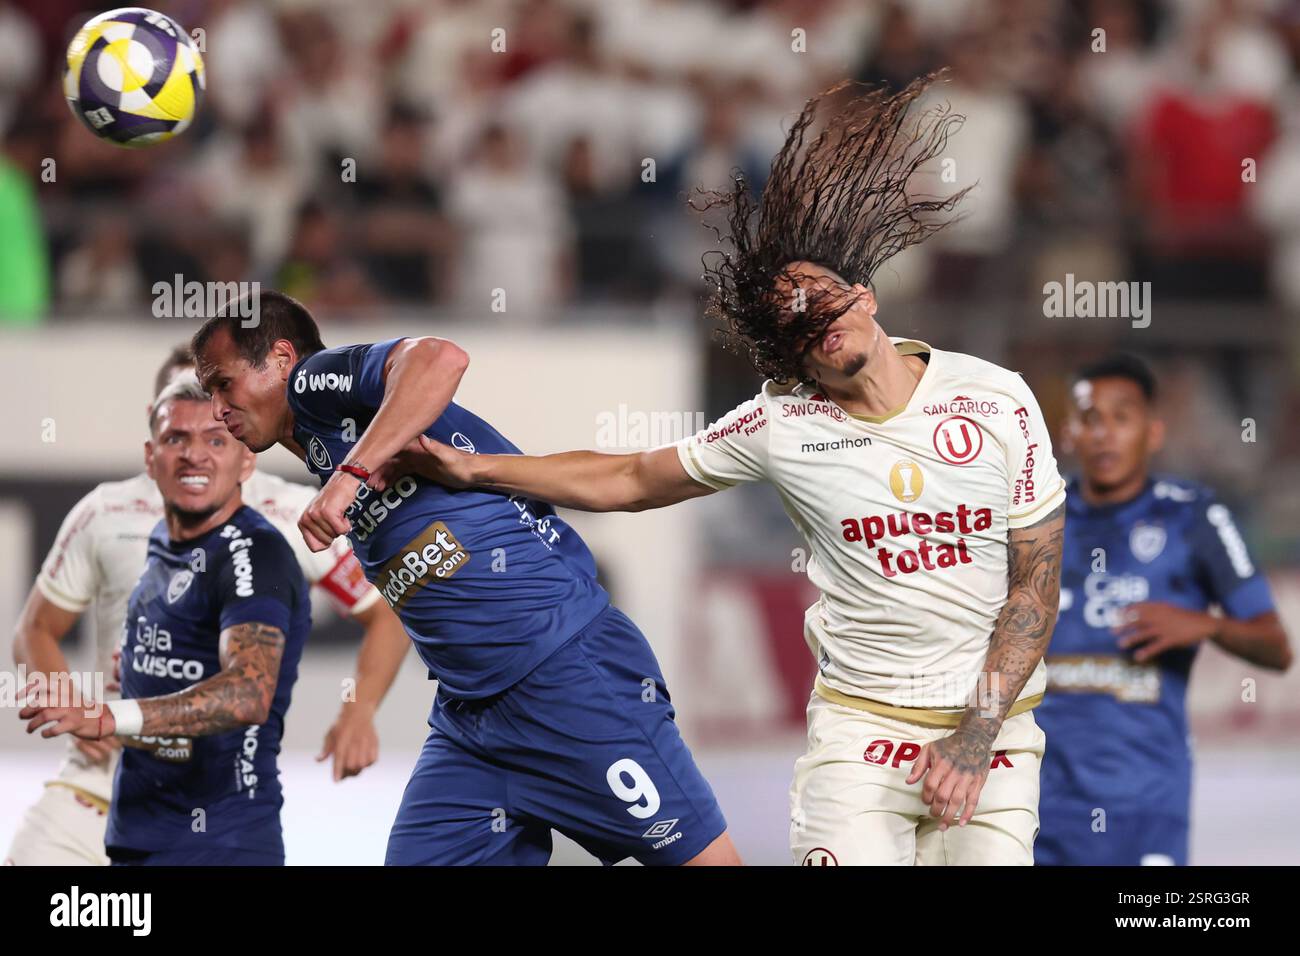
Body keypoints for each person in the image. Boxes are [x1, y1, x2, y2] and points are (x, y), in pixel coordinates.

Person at [382, 75, 1068, 865]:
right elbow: (634, 478)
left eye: (824, 298)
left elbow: (1035, 584)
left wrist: (977, 735)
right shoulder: (782, 421)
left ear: (867, 297)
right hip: (861, 734)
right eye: (796, 324)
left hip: (994, 734)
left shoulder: (995, 397)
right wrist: (477, 470)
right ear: (792, 355)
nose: (818, 320)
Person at [192, 295, 738, 866]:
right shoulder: (324, 444)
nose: (215, 409)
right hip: (471, 724)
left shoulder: (315, 384)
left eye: (223, 384)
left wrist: (350, 477)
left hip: (563, 675)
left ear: (282, 358)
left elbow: (441, 358)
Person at [5, 345, 408, 867]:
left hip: (210, 808)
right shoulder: (111, 512)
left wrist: (361, 711)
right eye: (178, 426)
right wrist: (67, 705)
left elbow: (382, 612)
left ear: (239, 437)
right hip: (97, 789)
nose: (196, 447)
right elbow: (35, 628)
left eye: (216, 421)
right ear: (154, 439)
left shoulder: (283, 522)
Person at [21, 375, 311, 865]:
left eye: (217, 440)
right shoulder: (164, 541)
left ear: (247, 460)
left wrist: (111, 715)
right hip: (137, 833)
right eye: (176, 438)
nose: (194, 455)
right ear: (151, 457)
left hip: (222, 844)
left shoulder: (255, 554)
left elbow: (248, 693)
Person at [1034, 354, 1292, 866]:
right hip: (1036, 802)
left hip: (1145, 805)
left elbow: (1276, 648)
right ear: (1070, 434)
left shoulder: (1193, 517)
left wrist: (1206, 624)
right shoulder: (1037, 516)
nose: (1105, 434)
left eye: (1121, 417)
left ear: (1152, 432)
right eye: (1091, 418)